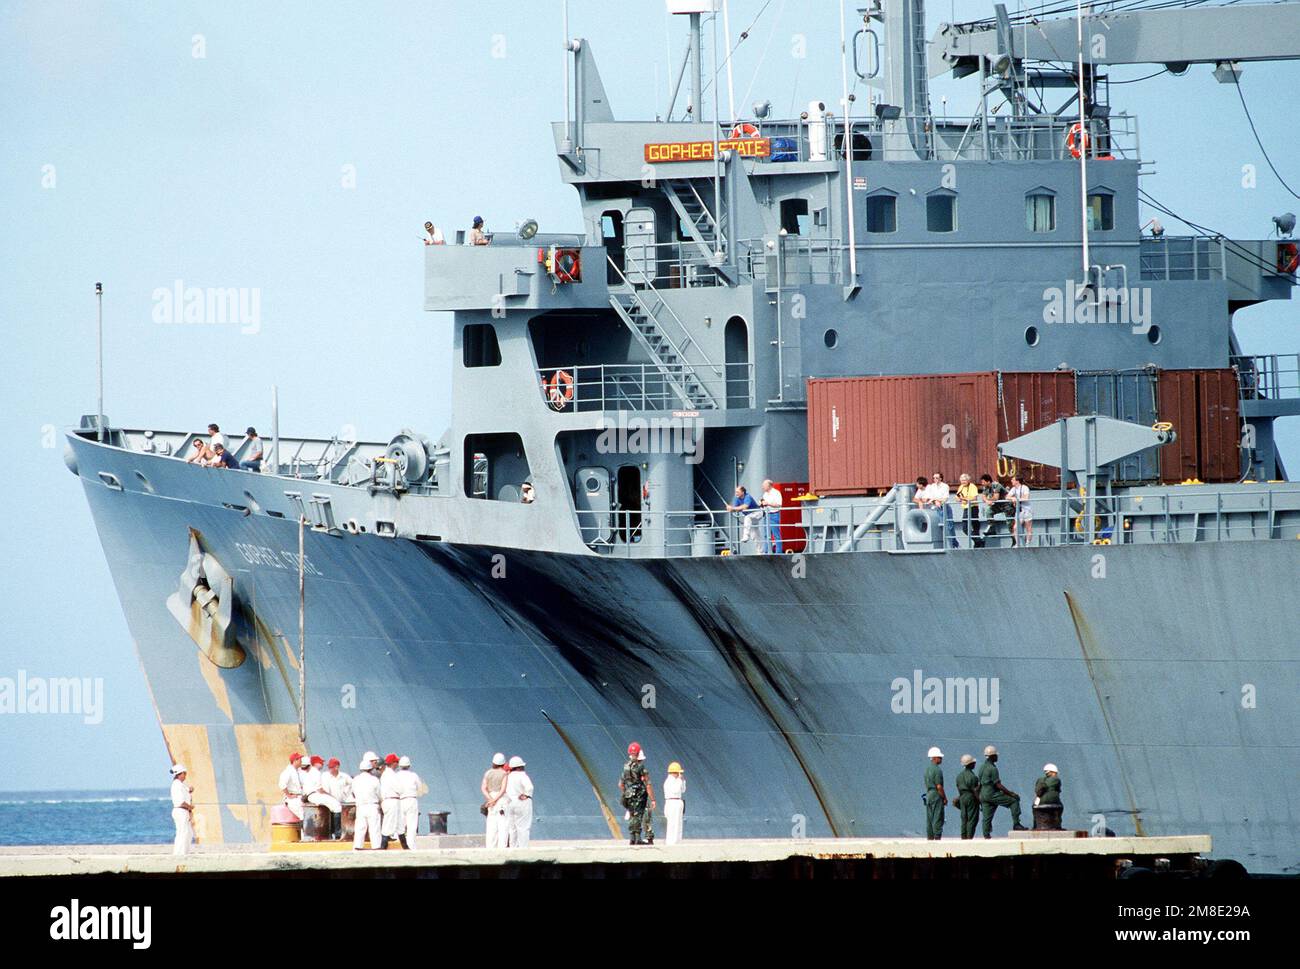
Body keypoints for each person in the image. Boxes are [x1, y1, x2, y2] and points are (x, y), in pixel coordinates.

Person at [978, 745, 1026, 837]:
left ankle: (986, 835)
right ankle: (1016, 824)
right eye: (996, 755)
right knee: (1014, 801)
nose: (997, 757)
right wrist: (1011, 793)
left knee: (986, 817)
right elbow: (998, 785)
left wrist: (979, 797)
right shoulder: (993, 769)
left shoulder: (981, 768)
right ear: (992, 756)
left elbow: (979, 784)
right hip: (991, 794)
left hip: (983, 795)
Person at [619, 742, 656, 845]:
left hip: (629, 793)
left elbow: (620, 784)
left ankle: (632, 838)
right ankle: (638, 838)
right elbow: (648, 784)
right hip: (640, 793)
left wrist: (626, 792)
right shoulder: (641, 767)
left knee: (632, 815)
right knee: (639, 815)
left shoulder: (626, 767)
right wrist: (653, 799)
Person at [301, 754, 341, 830]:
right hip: (314, 795)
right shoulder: (316, 772)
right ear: (315, 763)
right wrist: (330, 795)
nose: (322, 764)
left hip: (309, 795)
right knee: (337, 806)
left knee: (332, 806)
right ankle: (337, 833)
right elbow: (320, 789)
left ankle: (333, 831)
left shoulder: (304, 772)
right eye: (320, 762)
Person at [352, 758, 383, 850]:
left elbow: (353, 793)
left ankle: (358, 846)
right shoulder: (374, 780)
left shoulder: (355, 780)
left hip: (360, 806)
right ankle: (376, 847)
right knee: (374, 828)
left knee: (360, 828)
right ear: (371, 769)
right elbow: (379, 794)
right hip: (372, 805)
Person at [504, 755, 533, 848]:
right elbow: (530, 787)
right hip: (521, 803)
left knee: (512, 828)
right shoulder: (522, 775)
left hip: (510, 803)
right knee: (523, 827)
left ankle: (513, 848)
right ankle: (524, 848)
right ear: (519, 767)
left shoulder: (508, 777)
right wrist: (526, 795)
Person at [481, 752, 509, 848]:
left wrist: (490, 799)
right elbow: (503, 789)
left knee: (491, 825)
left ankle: (490, 847)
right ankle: (502, 848)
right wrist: (495, 800)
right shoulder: (504, 774)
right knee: (502, 825)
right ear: (503, 763)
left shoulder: (487, 773)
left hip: (490, 798)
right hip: (501, 800)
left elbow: (483, 788)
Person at [321, 757, 353, 839]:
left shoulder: (344, 776)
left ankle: (339, 834)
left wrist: (347, 793)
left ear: (337, 767)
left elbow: (352, 784)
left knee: (340, 818)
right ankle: (334, 834)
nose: (330, 769)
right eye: (329, 767)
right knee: (332, 818)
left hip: (341, 801)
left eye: (332, 767)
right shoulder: (326, 776)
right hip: (329, 801)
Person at [951, 754, 981, 840]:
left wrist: (960, 798)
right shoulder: (973, 777)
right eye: (973, 763)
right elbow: (974, 790)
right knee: (972, 818)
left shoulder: (959, 776)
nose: (974, 764)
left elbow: (958, 788)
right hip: (971, 797)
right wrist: (979, 800)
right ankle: (969, 838)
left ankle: (963, 837)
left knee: (964, 818)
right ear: (970, 764)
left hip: (962, 797)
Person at [378, 753, 404, 849]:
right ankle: (382, 848)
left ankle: (406, 848)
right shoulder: (391, 774)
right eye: (396, 762)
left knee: (400, 826)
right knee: (387, 826)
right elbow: (399, 788)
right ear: (392, 763)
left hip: (390, 801)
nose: (397, 764)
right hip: (392, 801)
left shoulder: (386, 774)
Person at [170, 763, 194, 855]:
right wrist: (190, 807)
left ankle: (185, 853)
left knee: (188, 833)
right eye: (184, 773)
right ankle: (179, 854)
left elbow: (185, 792)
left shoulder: (180, 784)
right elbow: (180, 802)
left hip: (183, 812)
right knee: (182, 833)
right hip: (181, 811)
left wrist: (189, 790)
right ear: (180, 774)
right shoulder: (177, 785)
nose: (185, 776)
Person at [397, 755, 421, 846]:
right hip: (412, 800)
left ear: (399, 766)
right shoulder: (414, 775)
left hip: (400, 801)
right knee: (412, 825)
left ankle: (400, 845)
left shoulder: (396, 776)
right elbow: (419, 788)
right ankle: (411, 845)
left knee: (400, 825)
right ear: (409, 766)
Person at [924, 746, 946, 840]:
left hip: (928, 794)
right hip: (936, 795)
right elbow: (939, 786)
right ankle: (937, 837)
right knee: (937, 817)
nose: (941, 759)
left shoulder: (927, 770)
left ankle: (930, 837)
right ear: (934, 758)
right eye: (939, 757)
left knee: (929, 818)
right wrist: (944, 798)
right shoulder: (937, 770)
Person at [662, 762, 685, 845]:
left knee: (678, 823)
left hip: (677, 801)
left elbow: (682, 790)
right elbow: (675, 790)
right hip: (672, 802)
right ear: (675, 772)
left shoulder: (676, 780)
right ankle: (672, 841)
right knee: (673, 823)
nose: (680, 774)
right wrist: (679, 780)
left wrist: (682, 781)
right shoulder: (670, 781)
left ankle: (677, 840)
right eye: (679, 772)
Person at [278, 752, 304, 820]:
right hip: (292, 799)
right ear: (295, 760)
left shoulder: (298, 770)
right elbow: (282, 784)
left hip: (300, 796)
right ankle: (304, 830)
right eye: (300, 759)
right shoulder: (288, 771)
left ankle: (306, 830)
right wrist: (289, 795)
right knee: (303, 815)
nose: (301, 760)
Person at [1008, 475, 1033, 547]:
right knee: (1015, 527)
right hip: (1019, 511)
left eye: (1013, 480)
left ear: (1017, 481)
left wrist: (1017, 499)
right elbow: (1007, 496)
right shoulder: (1013, 489)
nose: (1011, 481)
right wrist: (1012, 498)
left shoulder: (1025, 488)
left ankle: (1028, 543)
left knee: (1028, 527)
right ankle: (1017, 543)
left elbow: (1026, 498)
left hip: (1027, 510)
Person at [760, 479, 784, 554]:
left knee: (776, 534)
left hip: (774, 514)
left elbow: (779, 504)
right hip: (766, 515)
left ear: (769, 485)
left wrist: (768, 503)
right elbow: (764, 504)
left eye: (764, 485)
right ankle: (766, 551)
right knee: (766, 534)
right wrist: (761, 504)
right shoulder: (765, 494)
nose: (762, 487)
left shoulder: (776, 493)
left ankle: (778, 552)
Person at [956, 473, 980, 546]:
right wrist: (960, 499)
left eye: (964, 480)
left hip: (973, 508)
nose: (963, 482)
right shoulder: (961, 487)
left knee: (973, 526)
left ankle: (978, 542)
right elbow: (957, 497)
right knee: (965, 528)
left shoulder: (972, 486)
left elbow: (974, 498)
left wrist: (963, 498)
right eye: (962, 480)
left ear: (968, 480)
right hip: (965, 508)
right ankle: (979, 541)